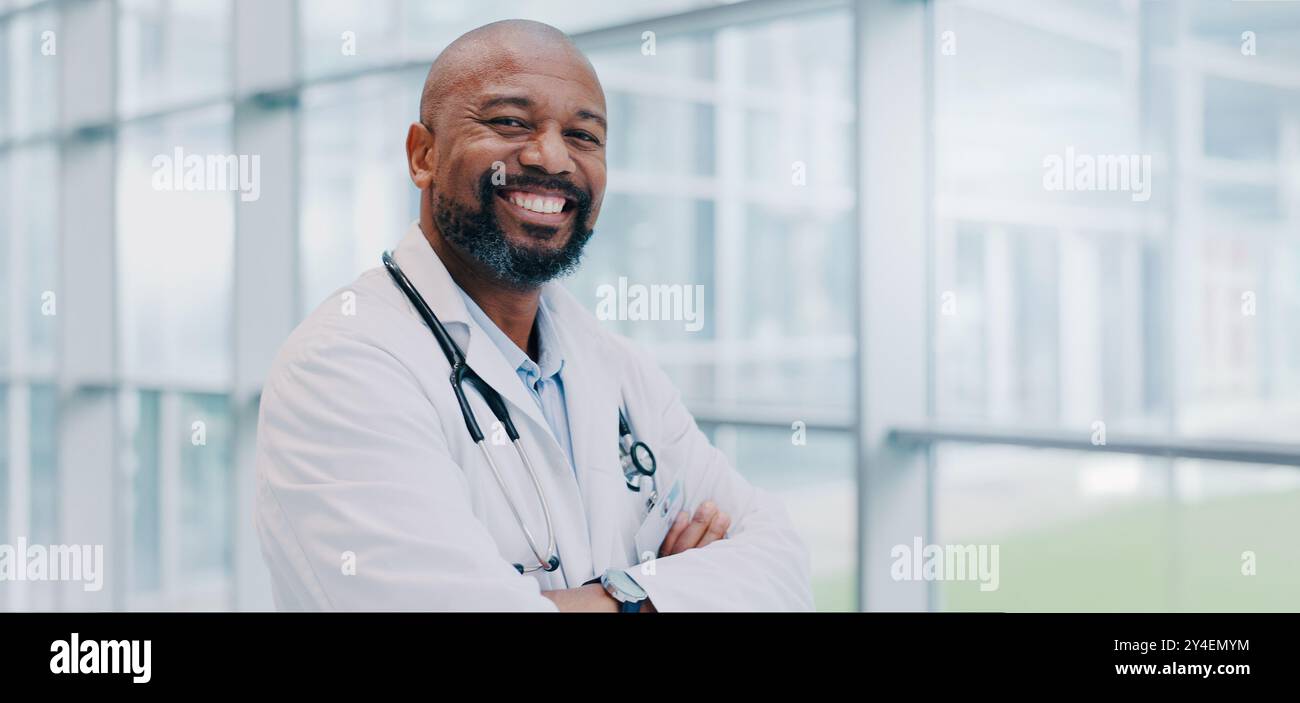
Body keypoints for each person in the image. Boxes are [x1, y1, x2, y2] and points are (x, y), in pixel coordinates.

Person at [254, 19, 813, 611]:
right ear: (423, 155)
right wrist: (654, 597)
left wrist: (598, 598)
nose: (550, 157)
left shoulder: (613, 365)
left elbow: (783, 565)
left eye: (583, 136)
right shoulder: (341, 367)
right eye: (510, 122)